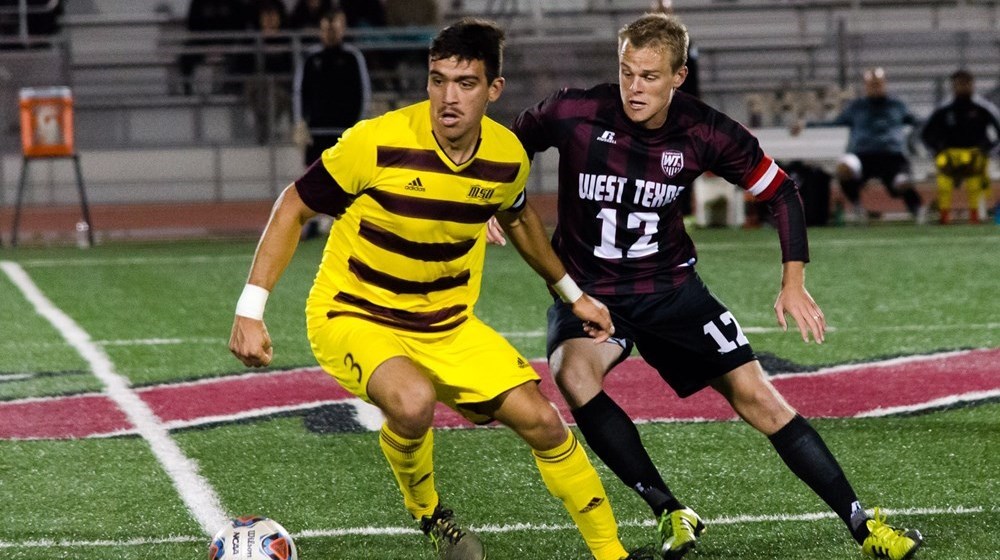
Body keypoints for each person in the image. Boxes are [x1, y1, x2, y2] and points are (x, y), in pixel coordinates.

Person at [230, 17, 652, 560]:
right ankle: (431, 515)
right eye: (437, 79)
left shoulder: (507, 158)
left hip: (446, 325)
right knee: (412, 401)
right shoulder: (377, 142)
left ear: (494, 89)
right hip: (354, 312)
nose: (447, 97)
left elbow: (520, 221)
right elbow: (294, 204)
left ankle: (612, 555)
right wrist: (251, 308)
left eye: (466, 83)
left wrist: (574, 294)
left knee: (543, 421)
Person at [505, 13, 923, 560]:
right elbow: (508, 145)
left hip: (672, 290)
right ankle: (668, 509)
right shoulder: (575, 109)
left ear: (679, 76)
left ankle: (863, 524)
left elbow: (782, 193)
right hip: (587, 291)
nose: (635, 87)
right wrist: (500, 198)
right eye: (628, 72)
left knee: (761, 401)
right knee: (572, 372)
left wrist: (792, 282)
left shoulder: (705, 131)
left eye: (650, 76)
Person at [792, 67, 925, 224]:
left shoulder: (897, 105)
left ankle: (916, 208)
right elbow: (834, 123)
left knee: (902, 181)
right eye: (872, 84)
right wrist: (807, 124)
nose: (875, 87)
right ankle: (857, 206)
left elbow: (919, 121)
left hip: (892, 156)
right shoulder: (857, 107)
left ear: (884, 84)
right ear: (866, 85)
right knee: (844, 168)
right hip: (862, 155)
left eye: (878, 84)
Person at [293, 5, 370, 239]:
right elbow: (300, 92)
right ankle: (314, 221)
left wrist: (359, 125)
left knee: (348, 178)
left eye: (335, 26)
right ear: (320, 29)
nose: (331, 32)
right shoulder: (311, 58)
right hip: (317, 130)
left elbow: (363, 92)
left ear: (343, 27)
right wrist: (300, 123)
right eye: (327, 27)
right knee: (314, 176)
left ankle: (346, 223)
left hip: (344, 130)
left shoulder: (353, 57)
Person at [919, 69, 1000, 224]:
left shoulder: (983, 108)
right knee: (944, 182)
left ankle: (975, 216)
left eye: (966, 83)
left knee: (975, 182)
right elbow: (925, 134)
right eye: (959, 84)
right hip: (950, 155)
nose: (963, 87)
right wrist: (937, 150)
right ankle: (944, 216)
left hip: (975, 155)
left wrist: (989, 150)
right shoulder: (943, 109)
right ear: (953, 86)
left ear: (972, 85)